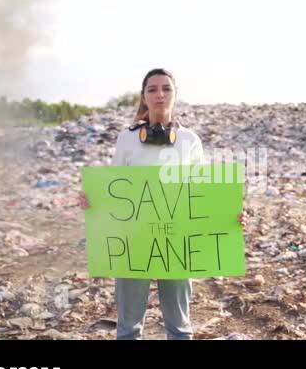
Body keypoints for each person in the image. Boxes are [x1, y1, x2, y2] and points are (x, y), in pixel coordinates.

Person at [79, 68, 247, 339]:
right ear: (143, 97)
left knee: (179, 327)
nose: (160, 95)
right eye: (152, 89)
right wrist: (93, 200)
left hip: (177, 243)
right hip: (133, 242)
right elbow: (114, 188)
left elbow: (201, 193)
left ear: (175, 94)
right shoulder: (127, 138)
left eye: (166, 88)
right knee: (128, 328)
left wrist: (229, 216)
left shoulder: (190, 141)